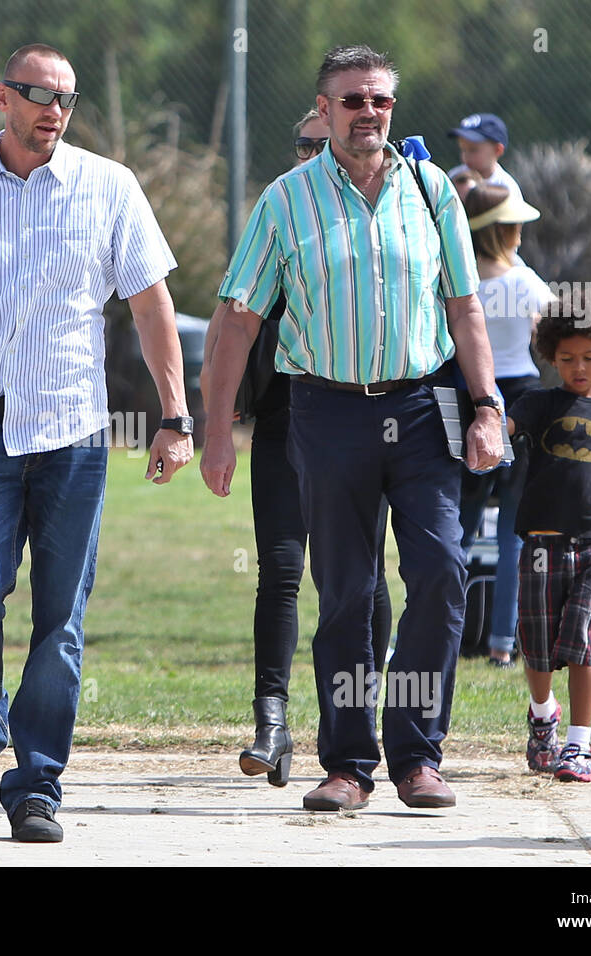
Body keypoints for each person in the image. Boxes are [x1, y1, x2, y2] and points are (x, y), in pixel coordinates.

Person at [0, 42, 192, 843]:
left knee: (62, 616)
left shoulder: (108, 187)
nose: (54, 109)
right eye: (37, 94)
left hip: (74, 434)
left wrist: (174, 414)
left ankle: (37, 783)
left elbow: (153, 306)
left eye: (66, 98)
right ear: (1, 98)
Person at [201, 45, 503, 812]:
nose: (368, 113)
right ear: (325, 109)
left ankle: (417, 755)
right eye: (352, 100)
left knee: (440, 572)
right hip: (327, 408)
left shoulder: (433, 193)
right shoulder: (286, 201)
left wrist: (488, 407)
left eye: (380, 101)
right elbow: (236, 321)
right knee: (346, 591)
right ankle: (347, 764)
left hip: (422, 402)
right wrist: (212, 427)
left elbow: (465, 309)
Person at [199, 108, 393, 788]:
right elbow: (227, 324)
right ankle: (271, 722)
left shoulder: (377, 220)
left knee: (361, 576)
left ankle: (360, 715)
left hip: (360, 422)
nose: (314, 152)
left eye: (323, 141)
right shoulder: (279, 215)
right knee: (281, 568)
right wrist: (214, 426)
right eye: (303, 142)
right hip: (286, 422)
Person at [507, 301, 591, 782]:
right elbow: (507, 428)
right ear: (551, 360)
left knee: (581, 643)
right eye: (567, 359)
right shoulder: (538, 404)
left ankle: (579, 747)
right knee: (537, 648)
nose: (579, 368)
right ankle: (543, 716)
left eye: (589, 357)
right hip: (539, 544)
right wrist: (490, 424)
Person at [457, 184, 555, 666]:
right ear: (500, 230)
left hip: (468, 399)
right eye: (514, 223)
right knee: (514, 528)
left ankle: (444, 631)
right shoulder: (526, 281)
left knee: (459, 522)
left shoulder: (456, 279)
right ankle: (501, 644)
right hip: (521, 402)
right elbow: (556, 329)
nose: (521, 231)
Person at [446, 113, 523, 201]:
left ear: (497, 150)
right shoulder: (454, 177)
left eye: (473, 150)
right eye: (463, 149)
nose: (465, 155)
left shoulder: (506, 186)